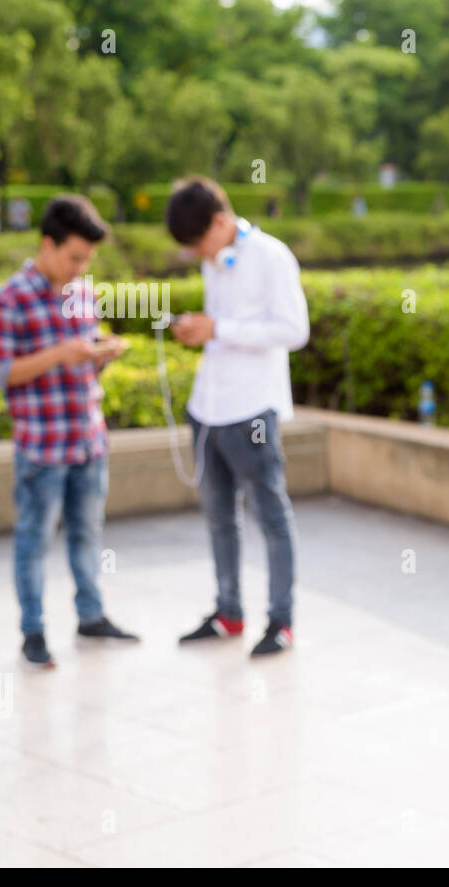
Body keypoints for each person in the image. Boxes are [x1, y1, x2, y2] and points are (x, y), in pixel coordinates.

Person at [0, 194, 135, 669]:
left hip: (88, 438)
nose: (79, 268)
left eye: (86, 260)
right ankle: (33, 631)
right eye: (73, 257)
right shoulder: (9, 298)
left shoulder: (82, 291)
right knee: (33, 540)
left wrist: (99, 353)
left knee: (88, 533)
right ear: (47, 244)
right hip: (42, 446)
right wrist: (60, 355)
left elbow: (80, 358)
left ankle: (91, 615)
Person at [163, 176, 309, 657]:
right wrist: (201, 331)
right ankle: (228, 612)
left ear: (221, 222)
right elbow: (223, 330)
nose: (202, 254)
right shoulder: (213, 265)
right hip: (208, 406)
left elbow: (294, 330)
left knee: (271, 517)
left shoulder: (272, 256)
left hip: (252, 407)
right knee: (218, 517)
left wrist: (219, 328)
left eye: (201, 242)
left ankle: (281, 622)